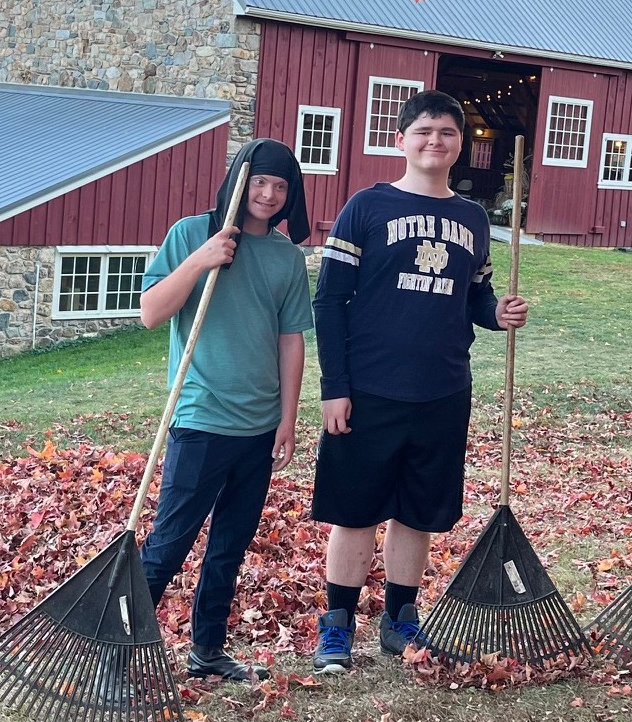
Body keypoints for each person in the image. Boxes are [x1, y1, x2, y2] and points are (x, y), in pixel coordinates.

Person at [309, 89, 530, 673]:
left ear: (460, 145)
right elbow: (329, 300)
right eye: (424, 130)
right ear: (402, 139)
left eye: (448, 133)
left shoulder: (472, 217)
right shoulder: (368, 206)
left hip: (442, 389)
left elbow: (474, 295)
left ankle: (401, 617)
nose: (435, 141)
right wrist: (335, 385)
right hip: (370, 388)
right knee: (355, 511)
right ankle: (337, 626)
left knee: (418, 512)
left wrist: (496, 311)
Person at [137, 138, 314, 682]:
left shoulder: (287, 257)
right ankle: (117, 647)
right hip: (199, 419)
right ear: (239, 179)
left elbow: (291, 341)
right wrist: (202, 258)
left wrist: (287, 417)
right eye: (259, 181)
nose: (268, 193)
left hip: (259, 428)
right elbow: (150, 313)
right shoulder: (192, 233)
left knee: (229, 548)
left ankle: (207, 651)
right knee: (167, 545)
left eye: (280, 186)